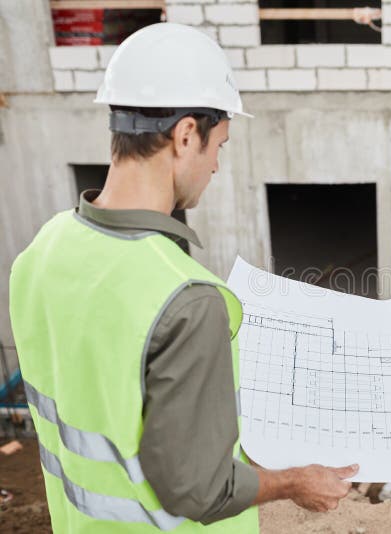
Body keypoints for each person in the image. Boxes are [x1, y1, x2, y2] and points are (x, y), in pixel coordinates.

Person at [9, 23, 356, 532]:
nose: (216, 165)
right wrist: (293, 482)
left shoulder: (42, 250)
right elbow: (198, 487)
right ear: (187, 133)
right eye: (220, 145)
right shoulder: (187, 299)